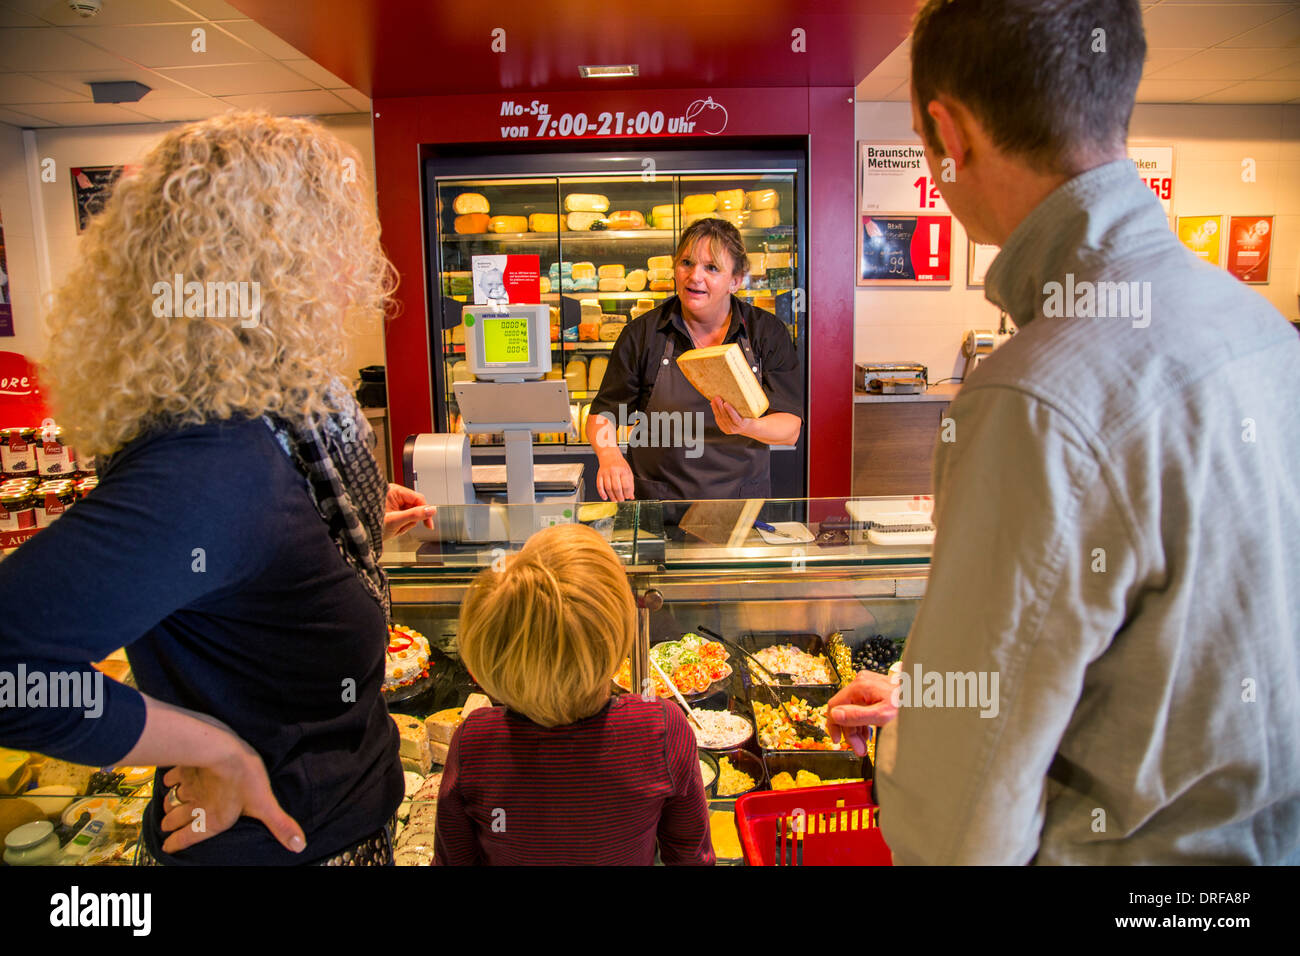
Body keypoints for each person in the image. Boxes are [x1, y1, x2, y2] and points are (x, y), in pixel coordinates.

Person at [828, 0, 1300, 865]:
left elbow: (960, 832)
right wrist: (924, 698)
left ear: (947, 132)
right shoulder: (1264, 331)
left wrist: (915, 744)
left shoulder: (1034, 399)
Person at [0, 111, 423, 865]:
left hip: (339, 815)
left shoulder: (279, 415)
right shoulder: (214, 467)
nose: (356, 260)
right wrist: (214, 751)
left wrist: (308, 554)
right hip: (278, 844)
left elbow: (243, 570)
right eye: (333, 232)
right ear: (271, 259)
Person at [434, 523, 714, 865]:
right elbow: (691, 858)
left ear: (486, 661)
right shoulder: (662, 729)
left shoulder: (473, 742)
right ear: (618, 639)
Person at [586, 218, 803, 501]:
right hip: (660, 504)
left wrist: (748, 427)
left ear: (735, 281)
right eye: (686, 263)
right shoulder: (643, 334)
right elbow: (603, 415)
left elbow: (789, 429)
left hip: (739, 502)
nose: (695, 276)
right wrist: (610, 456)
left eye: (711, 268)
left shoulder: (766, 332)